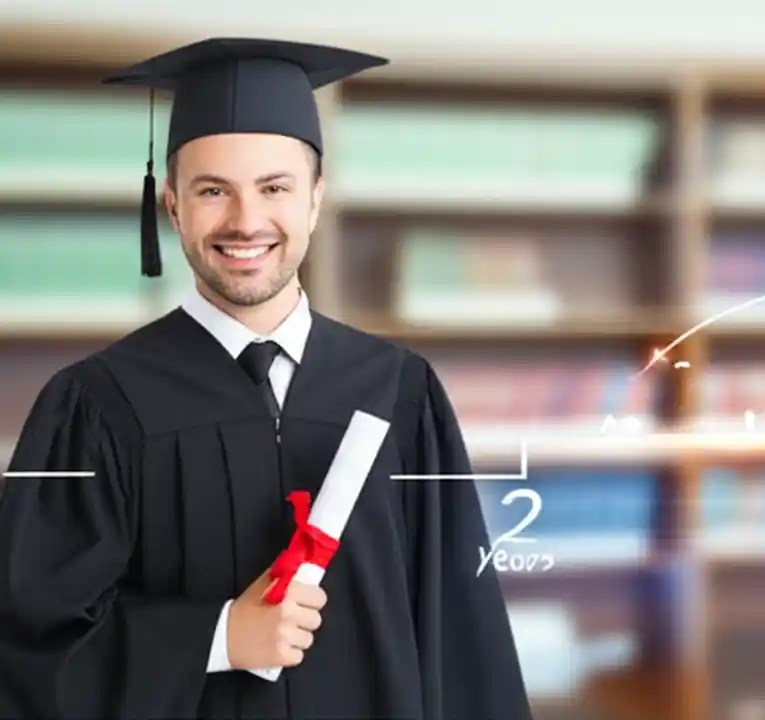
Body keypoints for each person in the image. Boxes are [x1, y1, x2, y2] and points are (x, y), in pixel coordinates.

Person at [0, 37, 532, 720]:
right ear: (172, 205)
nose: (246, 221)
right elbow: (26, 649)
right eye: (213, 191)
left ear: (315, 199)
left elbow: (466, 643)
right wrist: (218, 636)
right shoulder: (94, 407)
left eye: (274, 188)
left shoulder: (402, 394)